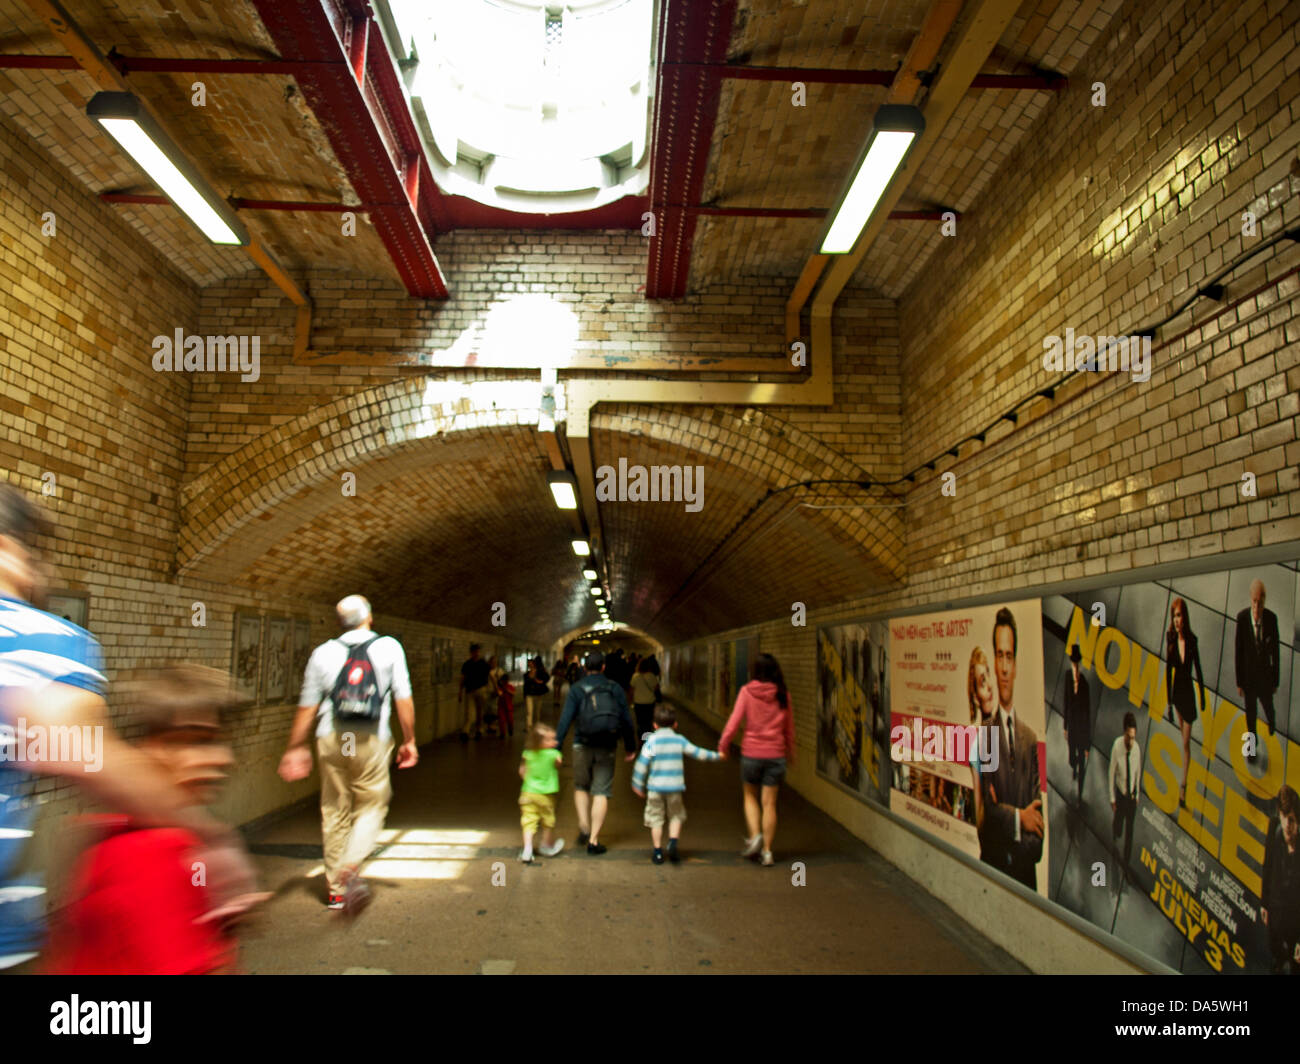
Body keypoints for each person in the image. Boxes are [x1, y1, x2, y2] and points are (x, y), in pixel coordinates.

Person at [0, 485, 255, 971]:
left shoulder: (102, 839)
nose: (43, 576)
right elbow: (80, 753)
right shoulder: (36, 636)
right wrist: (214, 840)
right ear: (6, 550)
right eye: (38, 558)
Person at [45, 665, 268, 974]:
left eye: (220, 741)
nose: (222, 758)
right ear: (151, 747)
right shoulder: (156, 853)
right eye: (197, 740)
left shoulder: (123, 828)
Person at [278, 594, 417, 913]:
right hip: (370, 737)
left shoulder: (322, 653)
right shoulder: (389, 647)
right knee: (371, 805)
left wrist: (295, 747)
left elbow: (307, 706)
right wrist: (410, 739)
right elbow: (403, 698)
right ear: (370, 617)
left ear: (340, 622)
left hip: (331, 737)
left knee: (334, 808)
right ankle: (351, 866)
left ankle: (336, 891)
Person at [976, 608, 1043, 891]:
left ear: (1015, 665)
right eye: (1000, 655)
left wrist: (1009, 823)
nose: (1003, 668)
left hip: (1027, 883)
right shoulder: (988, 734)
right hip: (994, 876)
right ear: (994, 659)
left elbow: (1038, 839)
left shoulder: (1030, 740)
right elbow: (989, 815)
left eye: (1009, 656)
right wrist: (1020, 818)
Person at [718, 652, 795, 867]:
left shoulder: (746, 692)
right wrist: (791, 752)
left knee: (750, 796)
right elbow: (789, 728)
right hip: (776, 755)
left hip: (751, 754)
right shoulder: (783, 694)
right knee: (770, 803)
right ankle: (768, 852)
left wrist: (723, 746)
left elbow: (733, 722)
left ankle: (755, 836)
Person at [556, 651, 637, 854]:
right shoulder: (614, 688)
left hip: (581, 743)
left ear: (585, 667)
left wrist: (556, 748)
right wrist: (630, 746)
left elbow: (565, 720)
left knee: (581, 786)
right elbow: (626, 719)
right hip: (607, 745)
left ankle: (584, 824)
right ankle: (593, 840)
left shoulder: (576, 689)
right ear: (603, 667)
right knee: (601, 791)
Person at [631, 704, 722, 864]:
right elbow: (698, 753)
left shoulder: (651, 740)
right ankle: (673, 842)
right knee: (676, 815)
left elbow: (642, 763)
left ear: (654, 725)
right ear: (675, 724)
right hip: (675, 787)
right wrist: (717, 756)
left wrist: (637, 783)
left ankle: (658, 852)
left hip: (655, 788)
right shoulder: (679, 740)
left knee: (656, 818)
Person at [1165, 598, 1205, 805]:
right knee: (1184, 740)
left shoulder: (1192, 640)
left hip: (1188, 695)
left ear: (1185, 616)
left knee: (1186, 742)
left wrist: (1204, 697)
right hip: (1177, 694)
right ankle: (1183, 781)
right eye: (1174, 615)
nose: (1177, 619)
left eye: (1179, 615)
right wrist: (1169, 703)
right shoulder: (1170, 637)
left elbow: (1197, 668)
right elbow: (1167, 670)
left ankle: (1183, 785)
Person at [1235, 579, 1279, 756]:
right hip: (1249, 681)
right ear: (1250, 599)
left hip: (1265, 678)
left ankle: (1272, 721)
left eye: (1260, 602)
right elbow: (1238, 652)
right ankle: (1251, 749)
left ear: (1264, 601)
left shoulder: (1271, 619)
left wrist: (1275, 680)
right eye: (1254, 601)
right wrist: (1239, 682)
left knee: (1268, 705)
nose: (1256, 606)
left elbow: (1275, 654)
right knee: (1250, 716)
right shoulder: (1242, 618)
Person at [1262, 785, 1300, 974]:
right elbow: (1267, 865)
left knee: (1296, 964)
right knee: (1275, 948)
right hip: (1276, 907)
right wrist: (1264, 903)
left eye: (1291, 819)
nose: (1287, 824)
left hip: (1296, 916)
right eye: (1284, 817)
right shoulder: (1274, 826)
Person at [518, 723, 565, 864]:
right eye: (551, 740)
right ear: (541, 742)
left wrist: (529, 781)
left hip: (528, 793)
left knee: (528, 822)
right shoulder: (554, 754)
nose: (555, 742)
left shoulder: (528, 754)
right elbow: (558, 764)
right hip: (546, 795)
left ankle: (527, 850)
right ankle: (546, 846)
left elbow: (521, 771)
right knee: (548, 821)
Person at [1108, 712, 1142, 872]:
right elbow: (1111, 772)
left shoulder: (1137, 750)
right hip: (1121, 795)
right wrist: (1112, 798)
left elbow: (1138, 773)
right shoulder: (1117, 746)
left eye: (1133, 737)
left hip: (1132, 797)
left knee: (1130, 832)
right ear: (1124, 733)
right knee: (1119, 825)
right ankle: (1115, 832)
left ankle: (1126, 864)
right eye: (1129, 737)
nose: (1131, 741)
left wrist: (1138, 795)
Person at [1062, 643, 1091, 804]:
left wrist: (1087, 745)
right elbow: (1066, 701)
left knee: (1081, 761)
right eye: (1073, 663)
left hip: (1081, 730)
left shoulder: (1085, 684)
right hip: (1072, 727)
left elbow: (1088, 714)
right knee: (1072, 759)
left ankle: (1080, 792)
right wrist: (1065, 726)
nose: (1075, 666)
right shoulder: (1067, 677)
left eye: (1077, 663)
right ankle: (1074, 767)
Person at [458, 643, 491, 741]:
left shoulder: (483, 664)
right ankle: (466, 731)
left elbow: (489, 676)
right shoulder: (467, 664)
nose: (476, 653)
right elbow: (462, 678)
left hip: (481, 690)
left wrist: (490, 689)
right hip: (470, 691)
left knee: (480, 712)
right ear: (471, 653)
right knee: (469, 712)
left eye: (477, 651)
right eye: (474, 652)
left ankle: (479, 729)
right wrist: (460, 691)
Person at [629, 656, 661, 749]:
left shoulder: (635, 676)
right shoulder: (652, 676)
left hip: (638, 703)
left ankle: (640, 741)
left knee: (640, 723)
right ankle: (648, 741)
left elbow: (631, 690)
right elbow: (656, 688)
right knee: (648, 723)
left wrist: (630, 700)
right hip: (650, 703)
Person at [523, 657, 550, 730]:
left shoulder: (540, 671)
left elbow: (547, 677)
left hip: (538, 694)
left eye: (531, 663)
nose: (530, 665)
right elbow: (525, 686)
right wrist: (524, 695)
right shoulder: (526, 674)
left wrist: (541, 681)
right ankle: (528, 727)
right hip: (529, 694)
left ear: (534, 664)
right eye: (529, 664)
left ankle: (537, 725)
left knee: (537, 711)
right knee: (529, 711)